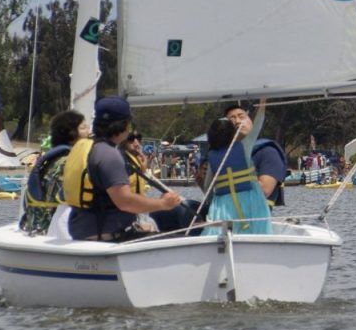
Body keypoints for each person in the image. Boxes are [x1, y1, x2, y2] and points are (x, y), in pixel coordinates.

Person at [63, 97, 185, 242]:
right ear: (124, 125)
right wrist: (163, 204)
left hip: (84, 231)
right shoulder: (109, 155)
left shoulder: (86, 147)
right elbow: (125, 201)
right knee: (177, 240)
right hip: (106, 238)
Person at [201, 104, 273, 234]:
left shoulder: (212, 156)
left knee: (220, 235)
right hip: (250, 200)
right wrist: (263, 100)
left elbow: (208, 187)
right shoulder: (245, 145)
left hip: (222, 205)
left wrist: (210, 203)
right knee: (256, 234)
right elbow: (258, 124)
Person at [21, 110, 90, 234]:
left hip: (36, 227)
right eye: (84, 127)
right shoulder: (68, 162)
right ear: (71, 134)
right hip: (53, 229)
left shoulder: (53, 160)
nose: (89, 132)